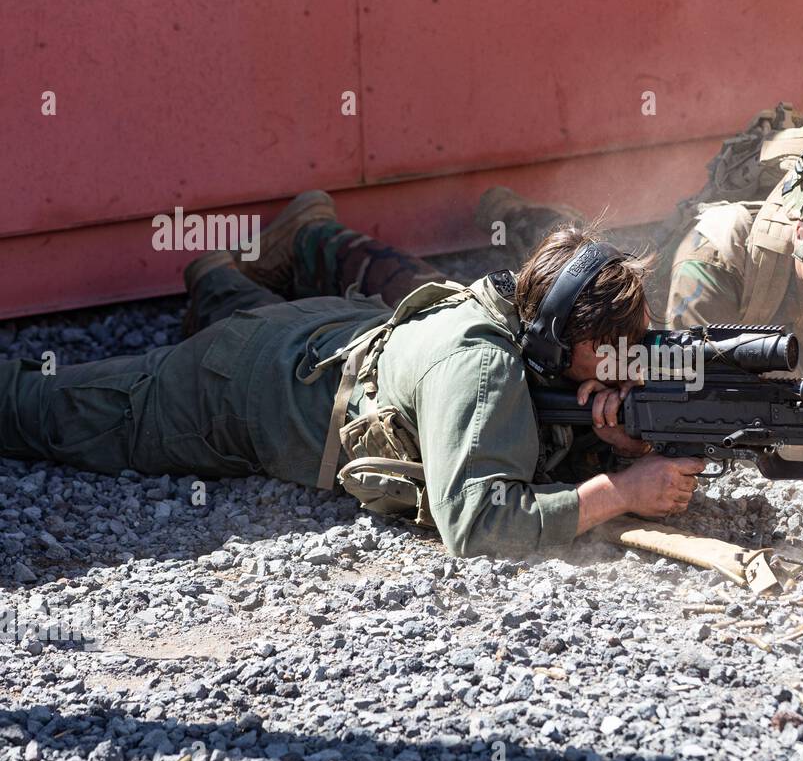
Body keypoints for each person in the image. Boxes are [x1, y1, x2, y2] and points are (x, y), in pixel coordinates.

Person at [0, 216, 704, 558]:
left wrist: (605, 441)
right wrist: (622, 490)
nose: (634, 358)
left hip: (324, 336)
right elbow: (479, 524)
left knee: (246, 324)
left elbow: (515, 435)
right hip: (242, 391)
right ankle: (215, 293)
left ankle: (216, 281)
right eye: (617, 348)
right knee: (49, 411)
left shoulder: (524, 317)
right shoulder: (481, 367)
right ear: (569, 338)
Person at [479, 110, 803, 407]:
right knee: (564, 262)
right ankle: (514, 214)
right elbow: (689, 386)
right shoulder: (716, 257)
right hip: (651, 270)